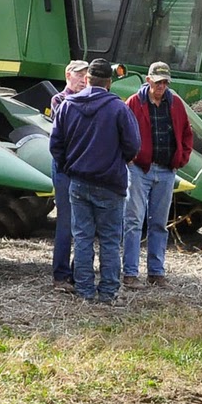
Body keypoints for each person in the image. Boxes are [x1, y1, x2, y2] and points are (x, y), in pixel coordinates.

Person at [49, 57, 139, 304]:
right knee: (110, 240)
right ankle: (108, 292)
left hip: (78, 181)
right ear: (109, 82)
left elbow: (55, 145)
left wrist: (69, 167)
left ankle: (85, 290)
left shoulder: (68, 105)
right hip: (110, 182)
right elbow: (133, 145)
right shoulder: (119, 108)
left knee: (82, 237)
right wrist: (118, 161)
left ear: (88, 79)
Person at [122, 61, 193, 288]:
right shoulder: (134, 102)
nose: (161, 86)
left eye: (165, 82)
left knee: (159, 223)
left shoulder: (176, 104)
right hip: (139, 169)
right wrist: (129, 156)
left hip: (166, 170)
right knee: (133, 221)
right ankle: (130, 273)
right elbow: (122, 130)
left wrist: (180, 159)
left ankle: (156, 272)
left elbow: (186, 133)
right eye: (158, 81)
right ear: (148, 80)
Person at [48, 59, 91, 293]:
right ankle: (61, 275)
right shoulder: (59, 100)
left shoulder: (90, 100)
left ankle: (79, 273)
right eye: (79, 74)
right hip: (65, 168)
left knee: (84, 223)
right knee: (66, 222)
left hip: (83, 168)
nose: (83, 79)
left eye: (86, 75)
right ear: (68, 75)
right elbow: (64, 135)